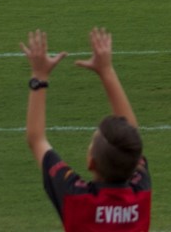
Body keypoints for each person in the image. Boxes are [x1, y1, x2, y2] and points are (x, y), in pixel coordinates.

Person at [20, 26, 150, 232]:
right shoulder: (139, 194)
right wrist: (107, 71)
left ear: (91, 162)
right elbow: (129, 136)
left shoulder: (77, 198)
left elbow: (36, 140)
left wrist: (39, 74)